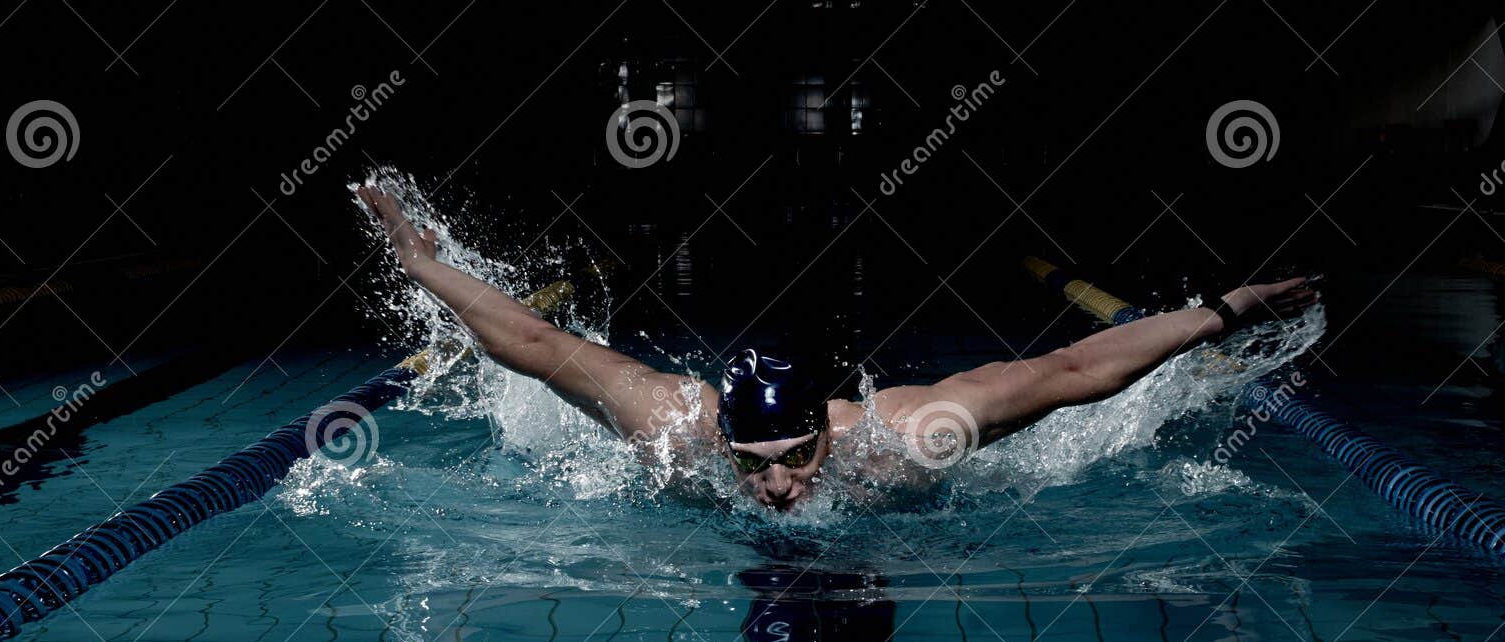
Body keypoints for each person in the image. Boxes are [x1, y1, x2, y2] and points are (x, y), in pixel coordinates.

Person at [356, 183, 1318, 512]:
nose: (775, 488)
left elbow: (1070, 373)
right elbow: (530, 338)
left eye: (794, 460)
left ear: (825, 427)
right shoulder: (674, 424)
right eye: (755, 464)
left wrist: (1226, 309)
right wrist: (422, 264)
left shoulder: (908, 435)